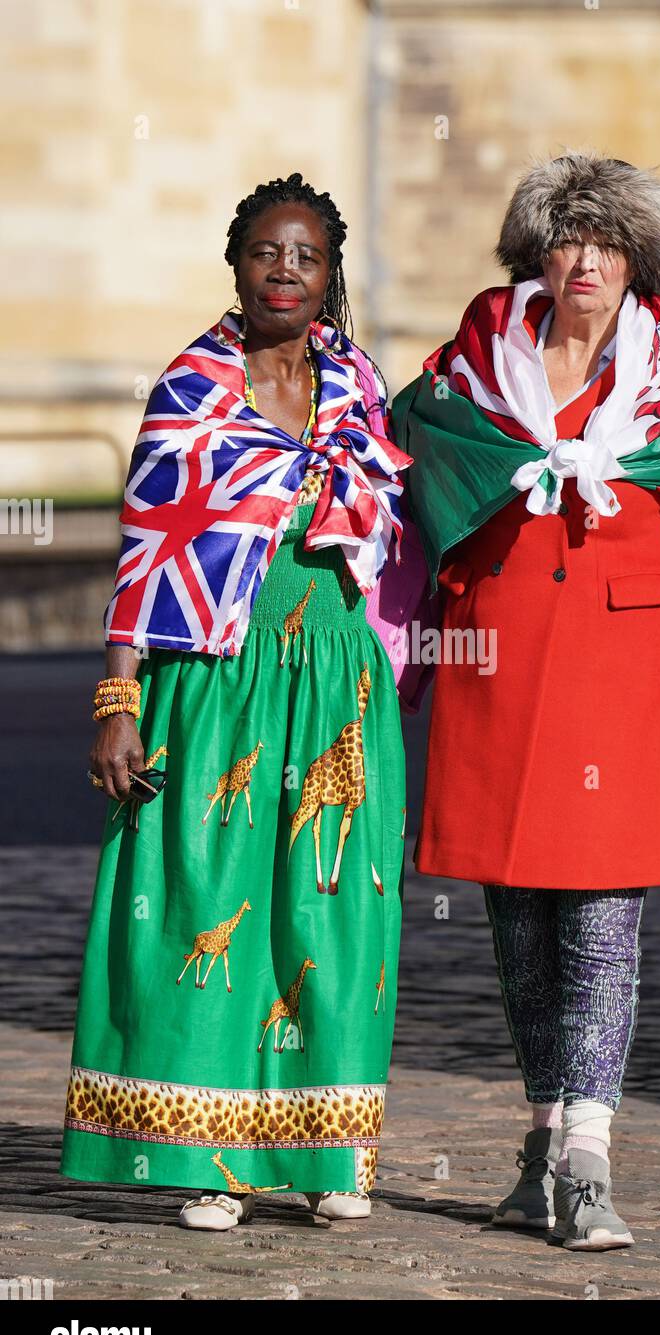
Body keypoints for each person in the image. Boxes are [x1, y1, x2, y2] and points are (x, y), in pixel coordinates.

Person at [393, 153, 660, 1252]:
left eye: (608, 243)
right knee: (518, 922)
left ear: (638, 258)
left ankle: (589, 1158)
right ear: (537, 252)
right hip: (495, 662)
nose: (586, 261)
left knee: (601, 917)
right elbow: (409, 472)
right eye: (568, 239)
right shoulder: (470, 365)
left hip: (628, 673)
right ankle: (540, 1143)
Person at [60, 174, 411, 1231]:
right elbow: (149, 552)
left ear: (328, 271)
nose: (286, 271)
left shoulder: (359, 386)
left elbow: (395, 534)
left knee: (330, 907)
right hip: (214, 677)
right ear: (238, 265)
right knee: (205, 905)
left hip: (336, 680)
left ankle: (325, 1155)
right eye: (267, 252)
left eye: (305, 255)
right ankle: (213, 1159)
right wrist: (117, 696)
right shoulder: (190, 389)